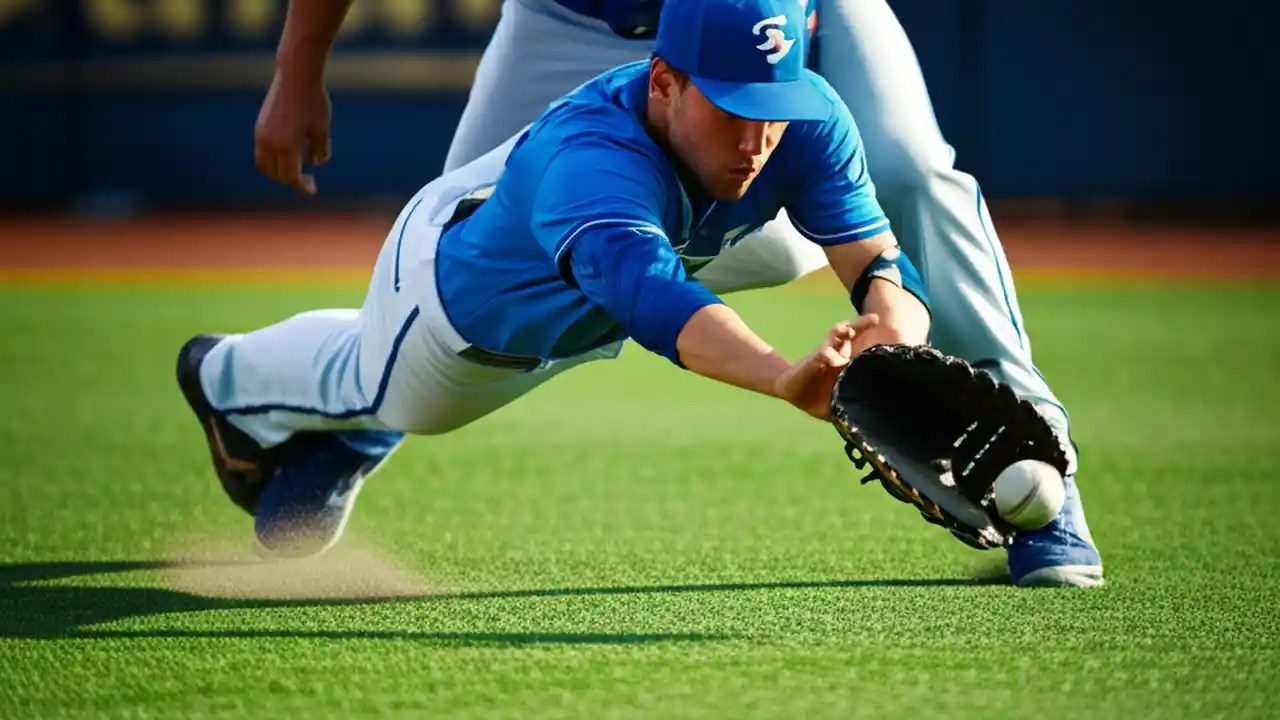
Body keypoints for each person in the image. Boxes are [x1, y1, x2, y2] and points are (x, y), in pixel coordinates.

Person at [248, 0, 1103, 587]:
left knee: (903, 171)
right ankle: (358, 412)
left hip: (760, 24)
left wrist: (891, 325)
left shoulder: (793, 114)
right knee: (481, 279)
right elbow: (646, 287)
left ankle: (1027, 451)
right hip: (575, 20)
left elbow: (866, 236)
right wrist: (297, 65)